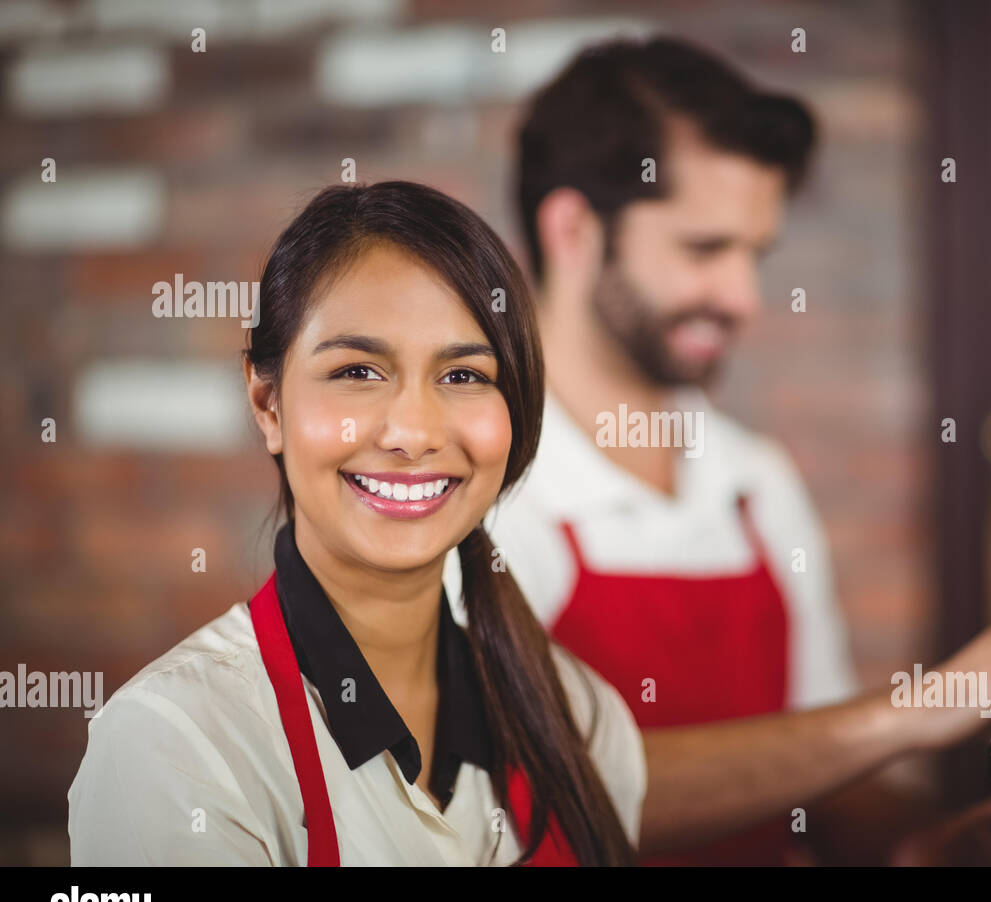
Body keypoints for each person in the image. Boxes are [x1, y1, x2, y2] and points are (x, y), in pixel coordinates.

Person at [444, 36, 991, 864]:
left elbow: (826, 782)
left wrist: (928, 846)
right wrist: (925, 705)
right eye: (705, 250)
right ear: (574, 229)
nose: (743, 299)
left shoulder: (754, 482)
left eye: (756, 255)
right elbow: (545, 788)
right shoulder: (476, 481)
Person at [67, 181, 644, 866]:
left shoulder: (583, 719)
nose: (413, 433)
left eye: (463, 376)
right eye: (359, 370)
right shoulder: (174, 746)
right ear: (268, 403)